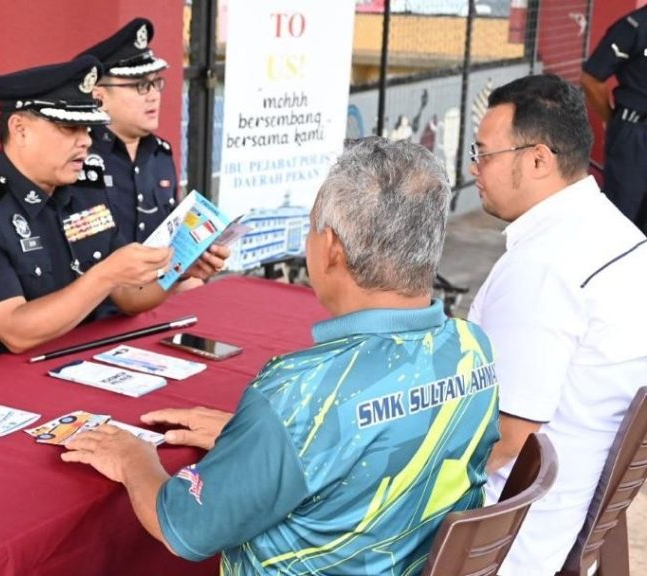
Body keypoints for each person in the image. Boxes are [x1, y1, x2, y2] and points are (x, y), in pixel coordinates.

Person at [62, 137, 500, 575]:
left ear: (332, 249)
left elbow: (185, 526)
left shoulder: (300, 393)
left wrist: (134, 458)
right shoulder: (472, 348)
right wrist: (263, 444)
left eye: (310, 228)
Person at [0, 56, 227, 364]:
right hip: (5, 381)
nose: (86, 141)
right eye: (70, 127)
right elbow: (16, 332)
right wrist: (104, 276)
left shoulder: (84, 188)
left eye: (87, 128)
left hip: (86, 360)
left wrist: (178, 268)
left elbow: (129, 296)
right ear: (20, 129)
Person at [468, 74, 647, 574]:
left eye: (484, 153)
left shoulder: (543, 270)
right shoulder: (618, 234)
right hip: (564, 516)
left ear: (539, 159)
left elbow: (506, 440)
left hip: (505, 540)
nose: (474, 168)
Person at [79, 18, 178, 244]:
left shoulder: (160, 153)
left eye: (156, 83)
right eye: (140, 86)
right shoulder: (78, 155)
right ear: (99, 96)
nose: (153, 95)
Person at [581, 6, 647, 233]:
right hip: (634, 135)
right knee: (620, 220)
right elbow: (591, 78)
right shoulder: (634, 27)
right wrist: (612, 119)